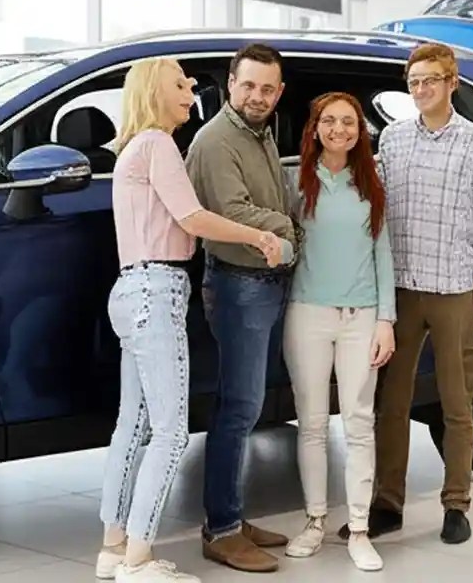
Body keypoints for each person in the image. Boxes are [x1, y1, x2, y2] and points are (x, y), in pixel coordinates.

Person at [97, 57, 286, 583]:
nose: (190, 92)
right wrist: (259, 236)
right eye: (180, 84)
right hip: (157, 290)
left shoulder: (135, 148)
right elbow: (192, 218)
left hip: (132, 288)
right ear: (156, 91)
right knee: (171, 432)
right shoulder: (157, 145)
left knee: (132, 426)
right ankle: (138, 559)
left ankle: (114, 548)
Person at [340, 42, 473, 545]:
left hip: (455, 287)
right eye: (414, 82)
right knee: (393, 400)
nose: (421, 89)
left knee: (457, 402)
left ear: (452, 82)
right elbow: (377, 207)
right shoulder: (393, 139)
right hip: (402, 289)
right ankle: (388, 502)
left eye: (431, 80)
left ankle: (456, 503)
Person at [184, 42, 298, 573]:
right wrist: (291, 230)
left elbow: (274, 199)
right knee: (238, 409)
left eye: (267, 88)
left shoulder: (261, 134)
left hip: (264, 282)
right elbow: (233, 212)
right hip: (238, 285)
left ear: (279, 92)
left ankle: (233, 514)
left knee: (245, 405)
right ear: (230, 84)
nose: (257, 96)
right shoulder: (216, 140)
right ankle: (222, 530)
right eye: (248, 85)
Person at [279, 92, 396, 572]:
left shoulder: (371, 182)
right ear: (315, 127)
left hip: (361, 315)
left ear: (360, 131)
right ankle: (313, 521)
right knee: (310, 423)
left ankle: (361, 528)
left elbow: (383, 254)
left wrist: (386, 319)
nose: (340, 129)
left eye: (349, 122)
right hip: (307, 313)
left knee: (358, 422)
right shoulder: (295, 182)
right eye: (330, 121)